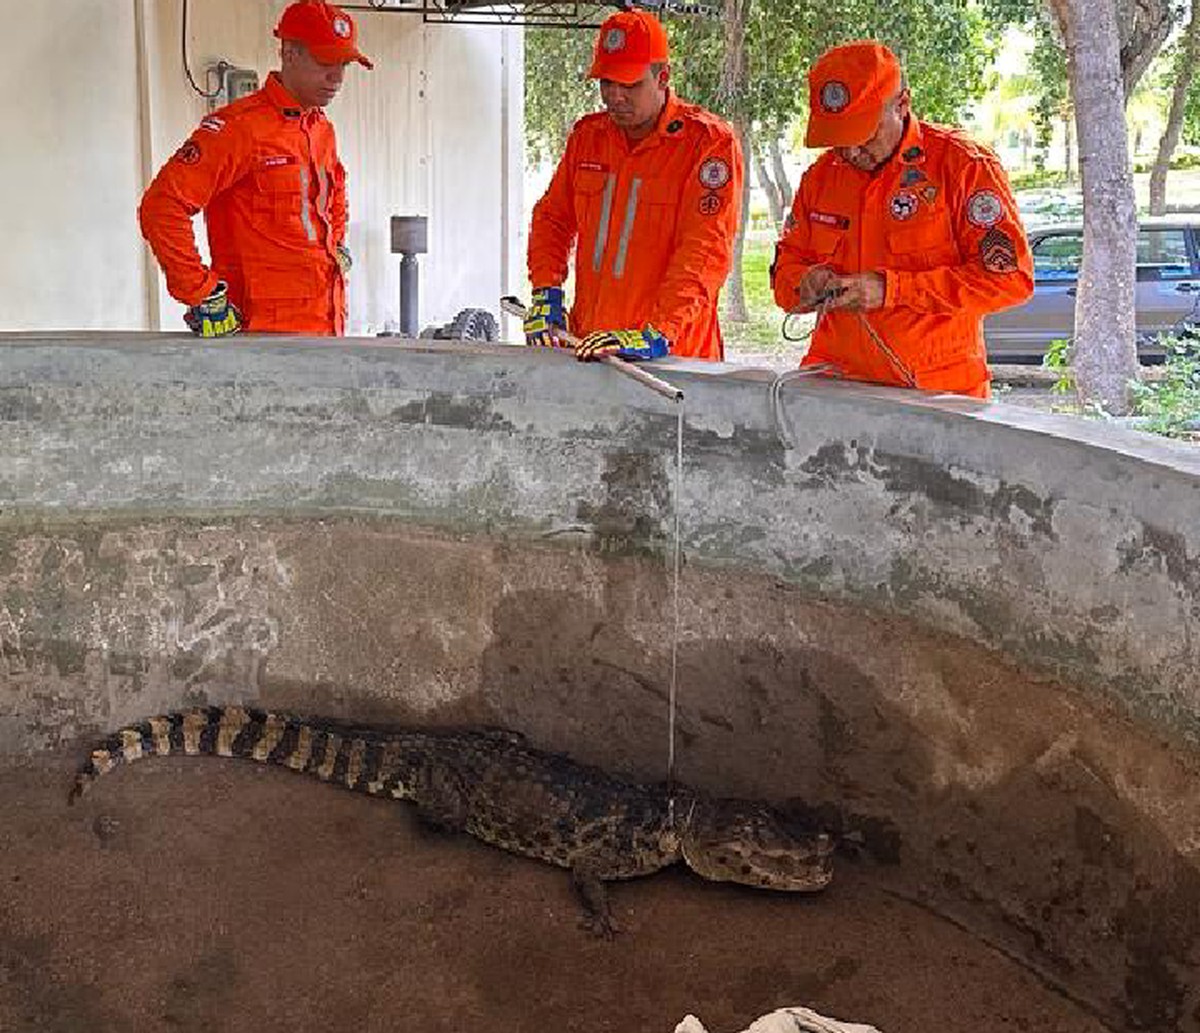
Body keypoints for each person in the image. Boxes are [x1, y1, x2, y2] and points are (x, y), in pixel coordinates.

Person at [771, 41, 1033, 397]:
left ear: (903, 104)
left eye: (864, 134)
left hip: (937, 390)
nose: (850, 152)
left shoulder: (962, 167)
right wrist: (806, 283)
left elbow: (1009, 280)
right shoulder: (821, 177)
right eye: (838, 139)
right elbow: (786, 268)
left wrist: (891, 290)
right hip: (836, 384)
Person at [139, 1, 371, 337]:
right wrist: (201, 292)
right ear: (289, 53)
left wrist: (335, 245)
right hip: (259, 338)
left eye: (344, 64)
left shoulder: (321, 130)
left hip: (325, 325)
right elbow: (162, 206)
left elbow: (334, 195)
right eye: (326, 62)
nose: (336, 77)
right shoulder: (239, 129)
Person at [525, 7, 743, 363]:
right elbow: (553, 219)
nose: (614, 96)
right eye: (606, 82)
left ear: (662, 77)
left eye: (629, 84)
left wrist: (658, 333)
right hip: (591, 347)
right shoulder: (588, 137)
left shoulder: (707, 144)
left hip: (674, 355)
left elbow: (704, 252)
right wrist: (545, 291)